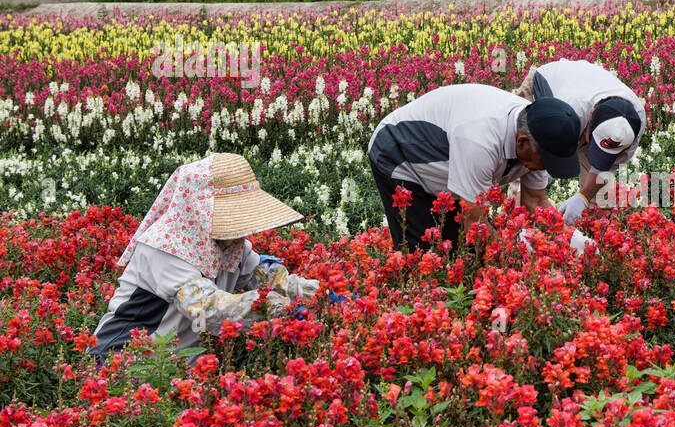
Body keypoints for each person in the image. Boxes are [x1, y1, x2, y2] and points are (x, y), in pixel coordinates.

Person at [90, 154, 318, 358]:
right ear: (201, 208)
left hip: (172, 368)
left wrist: (319, 293)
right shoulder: (165, 247)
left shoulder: (229, 244)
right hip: (121, 361)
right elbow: (208, 309)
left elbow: (265, 276)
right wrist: (277, 307)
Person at [369, 84, 584, 251]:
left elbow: (535, 201)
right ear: (522, 143)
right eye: (547, 162)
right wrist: (512, 264)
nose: (546, 167)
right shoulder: (479, 140)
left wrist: (573, 242)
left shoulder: (541, 138)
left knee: (461, 248)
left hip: (449, 165)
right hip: (399, 150)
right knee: (423, 253)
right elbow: (473, 218)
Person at [514, 59, 646, 225]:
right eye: (593, 143)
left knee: (600, 199)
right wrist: (537, 196)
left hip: (584, 99)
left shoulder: (634, 125)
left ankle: (594, 234)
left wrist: (583, 197)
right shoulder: (569, 110)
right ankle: (517, 229)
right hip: (543, 88)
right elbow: (539, 162)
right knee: (524, 166)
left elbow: (603, 171)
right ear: (591, 116)